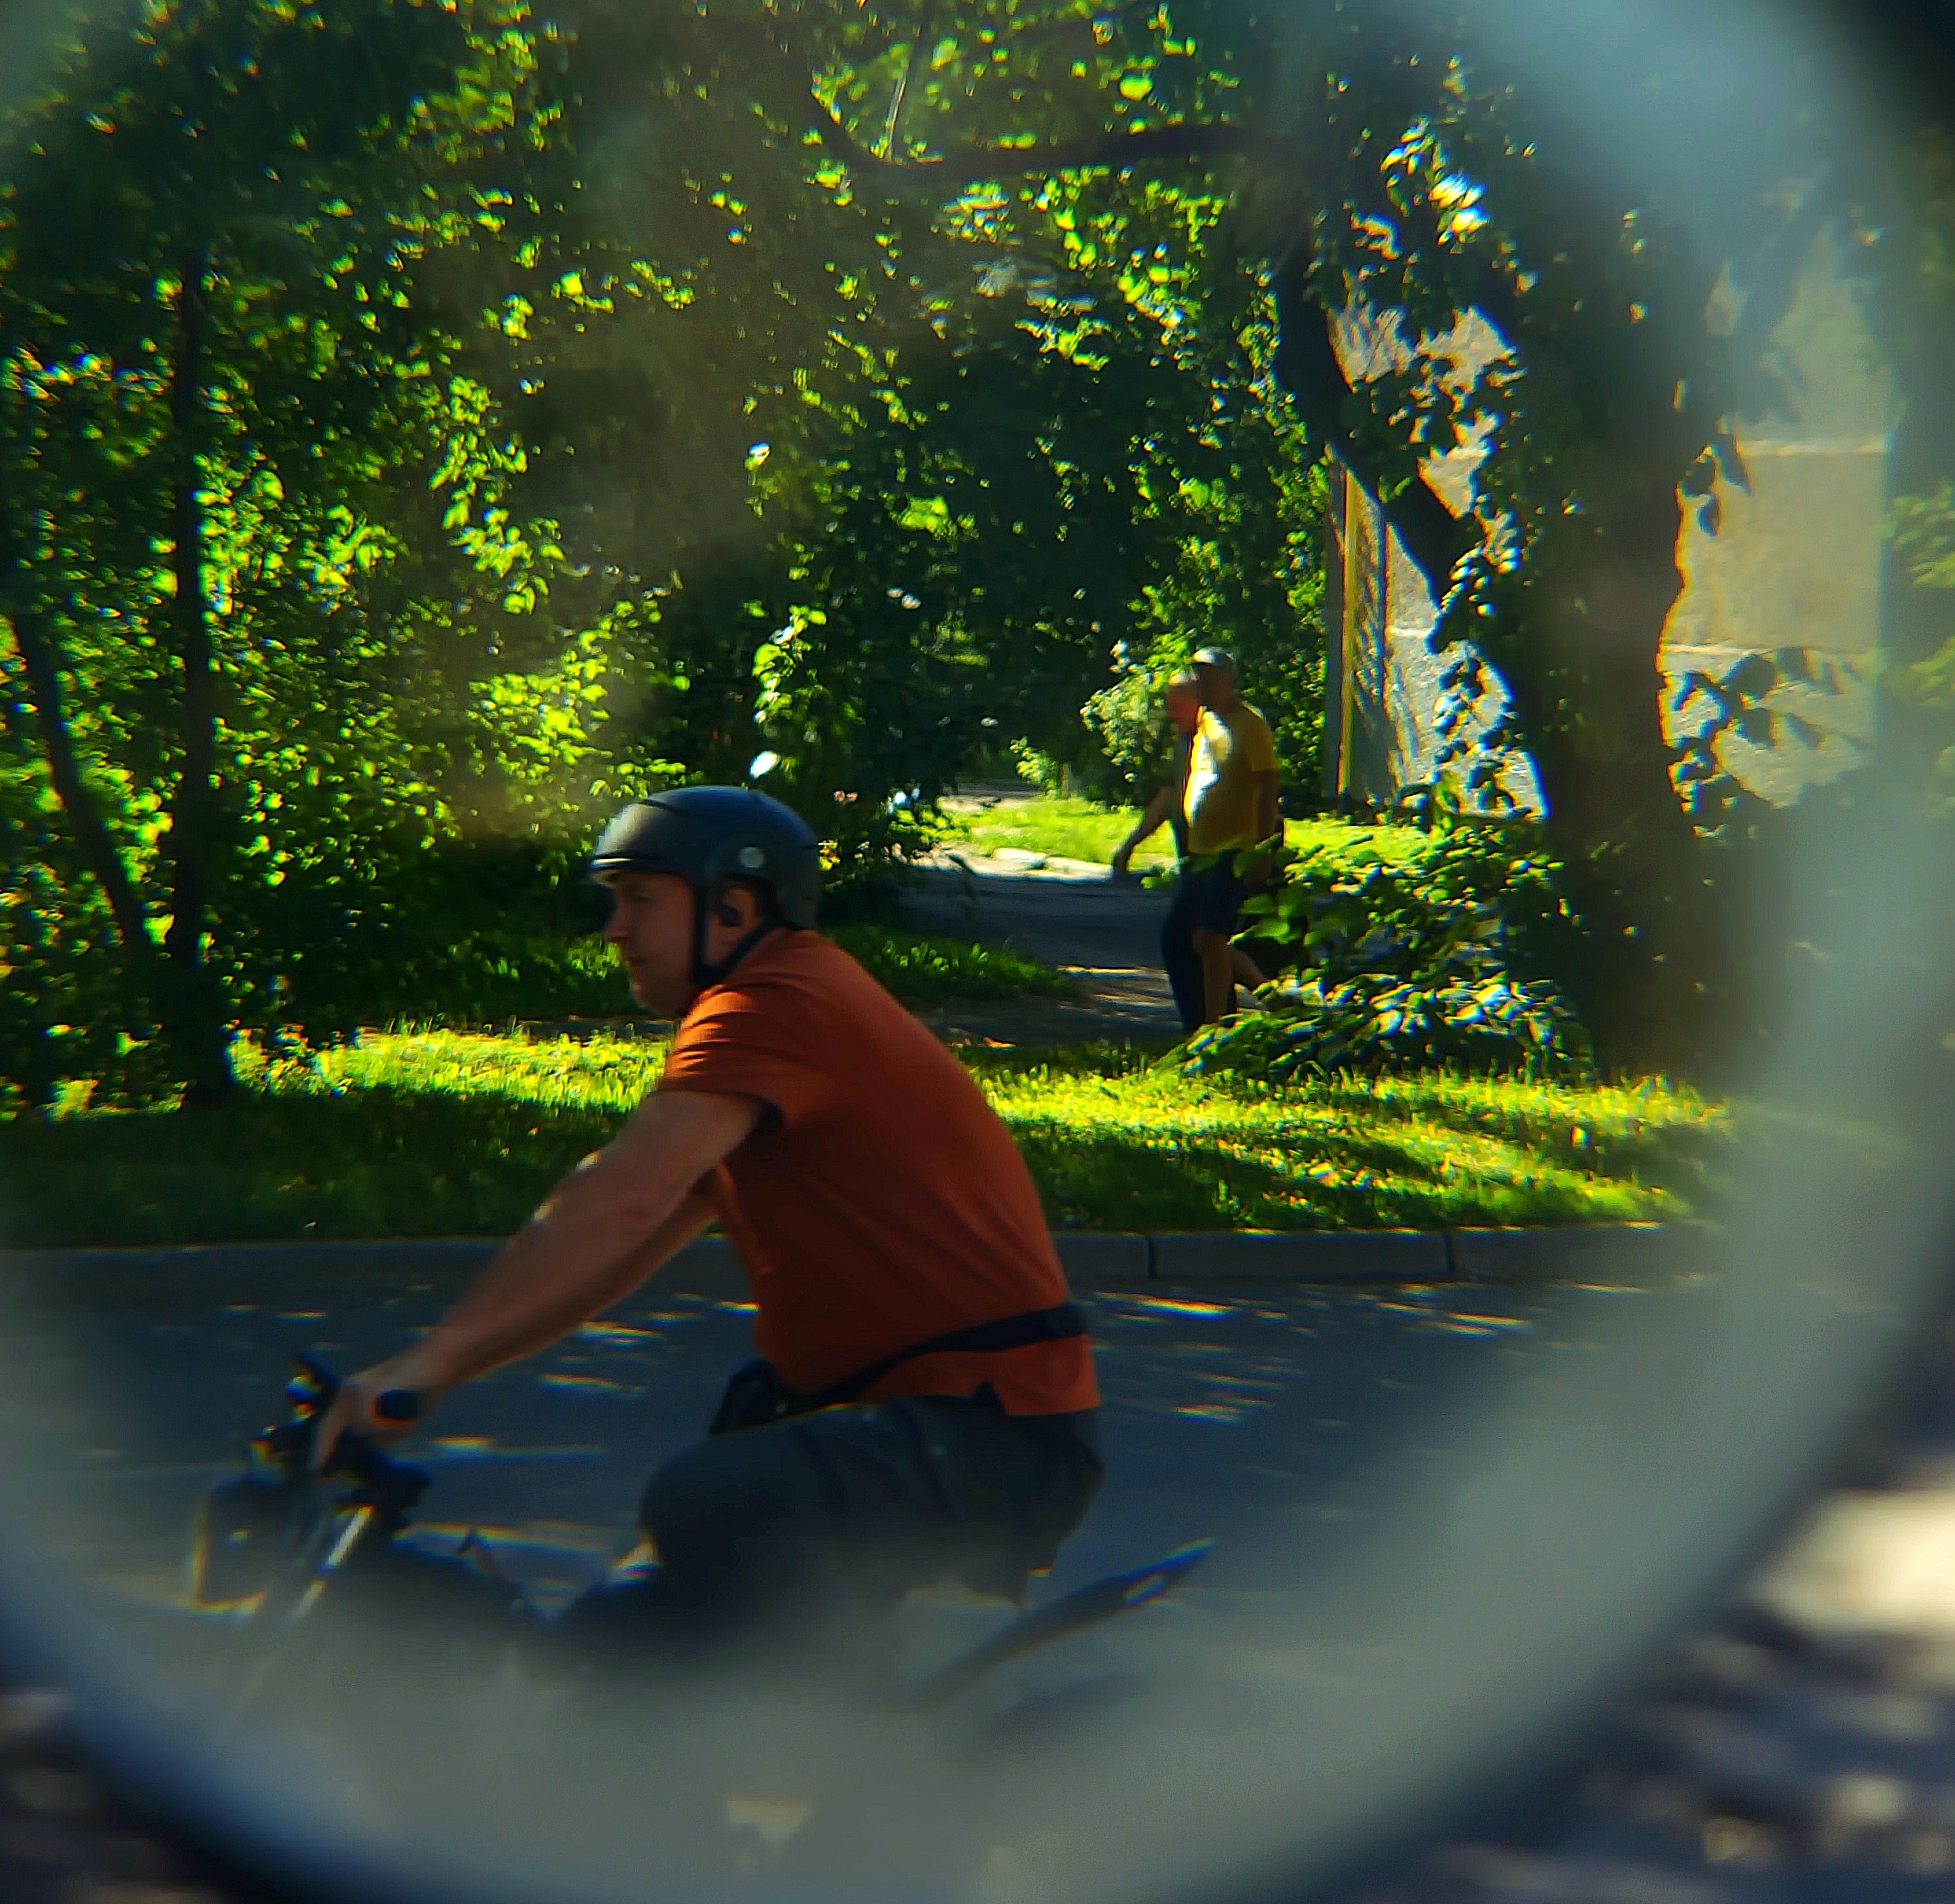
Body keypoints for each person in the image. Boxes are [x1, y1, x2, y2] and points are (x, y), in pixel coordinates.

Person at [315, 786, 1102, 1677]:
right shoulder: (768, 1025)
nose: (614, 927)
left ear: (735, 907)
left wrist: (429, 1359)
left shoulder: (776, 1006)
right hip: (916, 1430)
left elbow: (622, 1197)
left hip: (985, 1436)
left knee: (708, 1498)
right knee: (600, 1657)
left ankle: (878, 1768)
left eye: (640, 899)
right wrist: (440, 1374)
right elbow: (621, 1247)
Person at [1161, 648, 1280, 1031]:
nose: (1203, 684)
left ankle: (1214, 1028)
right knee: (1183, 937)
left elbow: (1267, 787)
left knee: (1211, 938)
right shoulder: (1204, 721)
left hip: (1235, 848)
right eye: (1198, 677)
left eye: (1210, 676)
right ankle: (1263, 1000)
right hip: (1201, 853)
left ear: (1229, 680)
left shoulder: (1251, 724)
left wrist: (1262, 849)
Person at [1109, 667, 1202, 881]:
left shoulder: (1220, 743)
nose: (1171, 715)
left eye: (1178, 707)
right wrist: (1130, 845)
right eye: (1170, 707)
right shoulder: (1183, 743)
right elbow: (1168, 796)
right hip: (1191, 859)